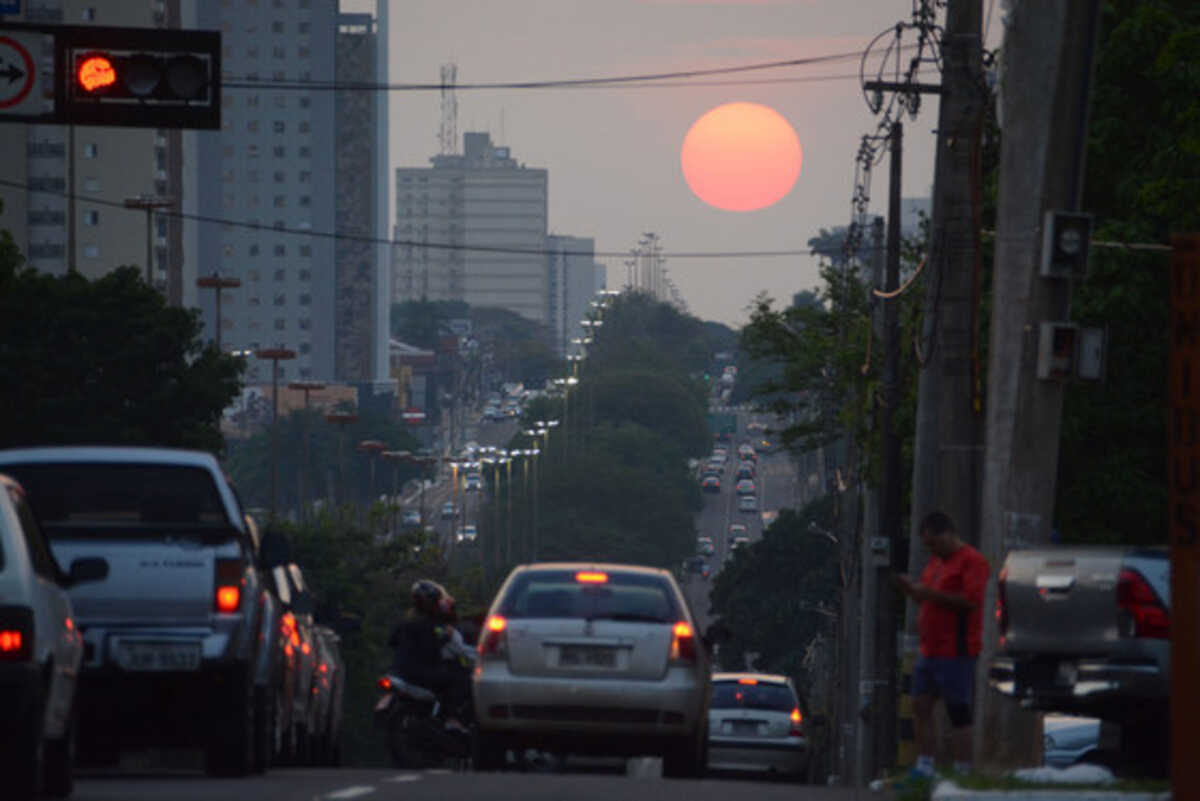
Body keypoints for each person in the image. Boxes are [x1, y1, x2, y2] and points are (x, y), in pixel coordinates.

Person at [894, 511, 990, 779]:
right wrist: (912, 591)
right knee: (921, 704)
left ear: (948, 534)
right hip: (930, 649)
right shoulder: (936, 563)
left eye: (934, 543)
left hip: (956, 649)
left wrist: (928, 594)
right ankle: (925, 765)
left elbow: (971, 601)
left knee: (958, 710)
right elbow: (925, 597)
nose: (932, 549)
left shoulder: (971, 561)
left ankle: (963, 769)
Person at [388, 579, 473, 732]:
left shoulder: (407, 620)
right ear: (430, 602)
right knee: (459, 678)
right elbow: (441, 646)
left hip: (400, 671)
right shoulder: (431, 624)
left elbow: (392, 641)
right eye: (436, 601)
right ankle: (450, 718)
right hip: (419, 672)